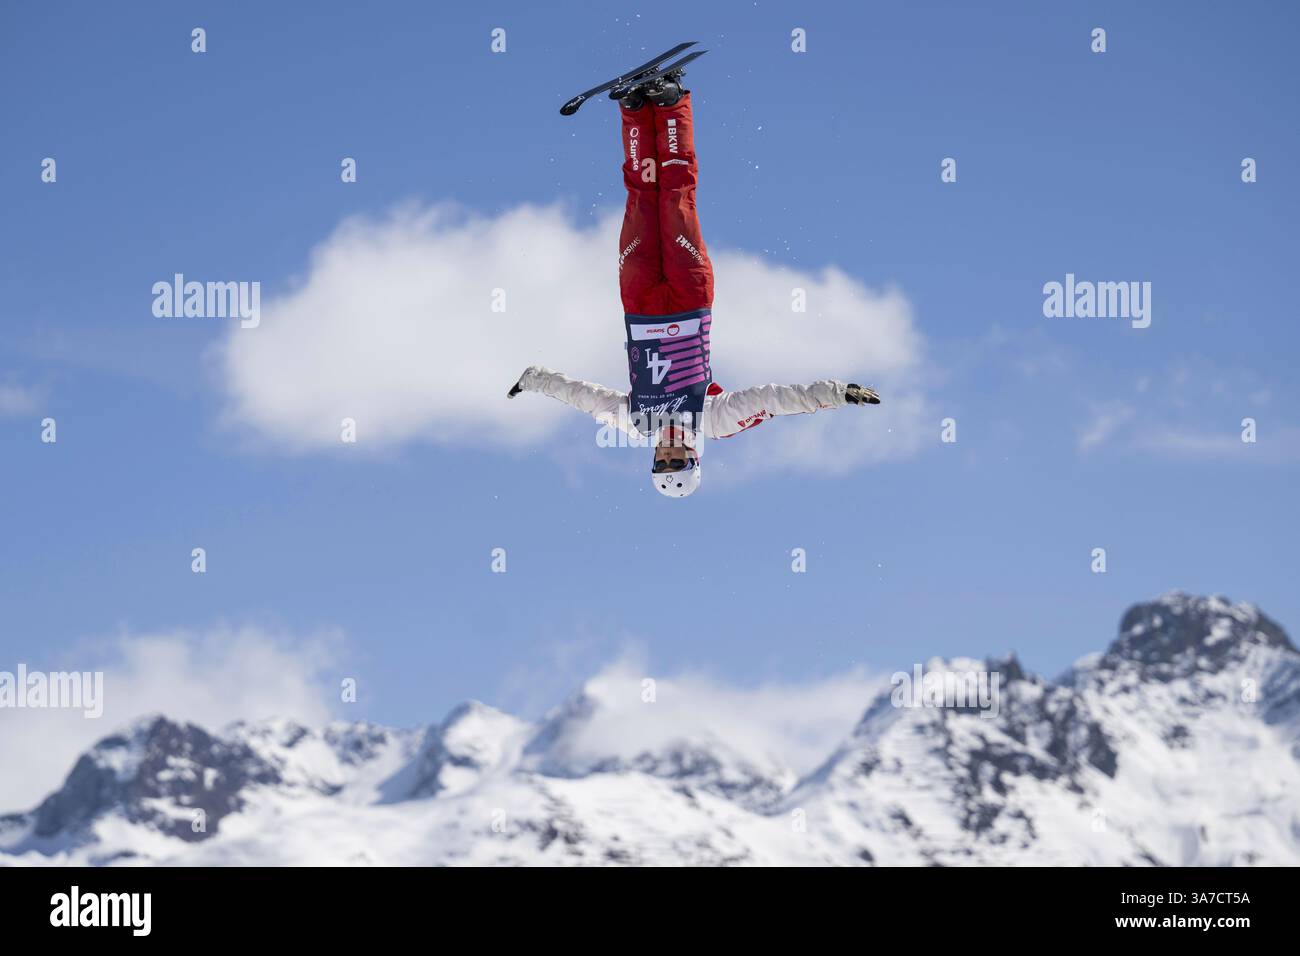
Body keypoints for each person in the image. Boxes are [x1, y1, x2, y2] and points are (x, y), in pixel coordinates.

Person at [508, 69, 881, 498]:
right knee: (675, 200)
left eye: (661, 461)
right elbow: (775, 400)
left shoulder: (636, 422)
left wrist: (536, 379)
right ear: (694, 457)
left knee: (640, 201)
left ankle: (633, 112)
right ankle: (669, 105)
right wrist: (838, 393)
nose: (667, 453)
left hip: (641, 304)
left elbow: (584, 398)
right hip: (689, 298)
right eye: (677, 461)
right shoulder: (713, 421)